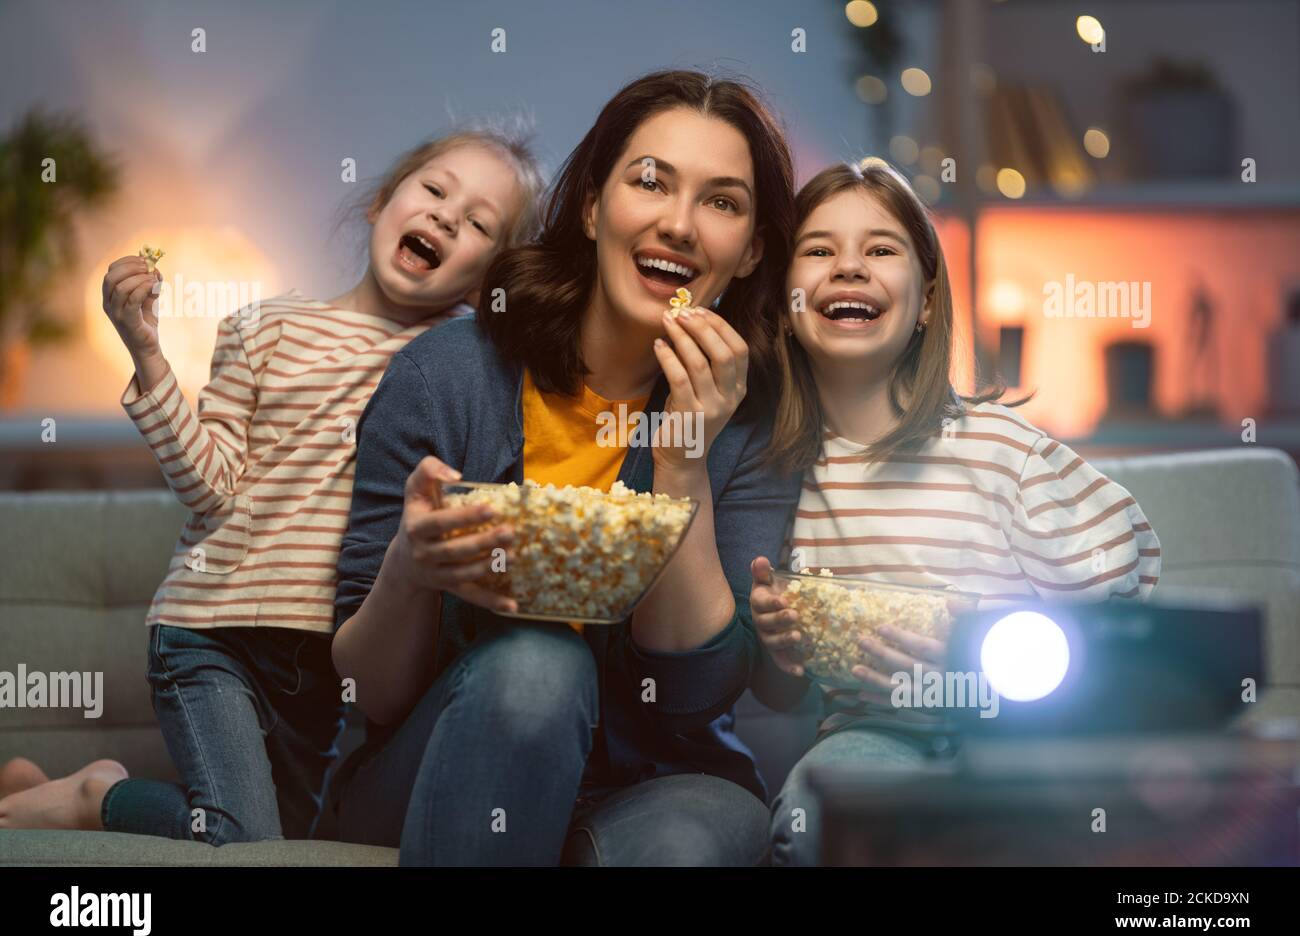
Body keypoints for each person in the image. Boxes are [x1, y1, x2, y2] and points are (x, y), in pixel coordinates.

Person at [0, 128, 544, 845]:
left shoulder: (458, 369)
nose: (446, 217)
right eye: (435, 191)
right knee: (238, 836)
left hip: (327, 663)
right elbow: (211, 486)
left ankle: (38, 790)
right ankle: (94, 795)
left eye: (478, 223)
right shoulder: (266, 328)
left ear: (485, 278)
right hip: (213, 632)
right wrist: (146, 352)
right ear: (381, 203)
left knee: (279, 846)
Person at [328, 70, 803, 866]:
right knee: (540, 663)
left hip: (648, 784)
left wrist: (682, 459)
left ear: (752, 250)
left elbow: (689, 696)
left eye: (721, 202)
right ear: (591, 206)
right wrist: (410, 570)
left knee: (713, 828)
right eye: (649, 181)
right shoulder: (445, 375)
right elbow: (366, 694)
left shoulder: (750, 422)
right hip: (436, 761)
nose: (678, 224)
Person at [750, 160, 1163, 866]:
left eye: (881, 249)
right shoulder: (776, 475)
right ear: (782, 301)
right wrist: (780, 649)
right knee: (817, 819)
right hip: (878, 737)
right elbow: (782, 697)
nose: (848, 266)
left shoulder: (1000, 450)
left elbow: (1127, 618)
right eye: (818, 250)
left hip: (1027, 737)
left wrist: (984, 655)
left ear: (929, 301)